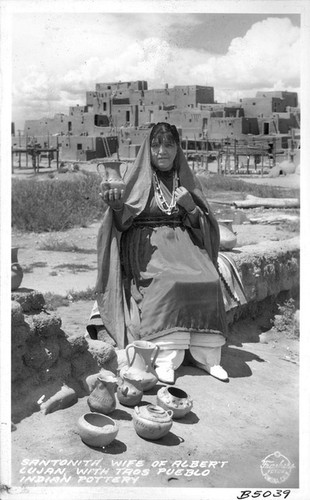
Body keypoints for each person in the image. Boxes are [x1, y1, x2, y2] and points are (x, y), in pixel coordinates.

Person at [87, 122, 229, 384]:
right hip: (147, 247)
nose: (162, 151)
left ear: (178, 149)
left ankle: (207, 357)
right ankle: (165, 358)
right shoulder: (136, 179)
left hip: (184, 246)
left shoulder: (186, 179)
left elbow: (203, 225)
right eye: (156, 145)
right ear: (148, 150)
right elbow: (121, 226)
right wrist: (118, 208)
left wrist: (190, 207)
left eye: (169, 145)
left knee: (208, 280)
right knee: (168, 282)